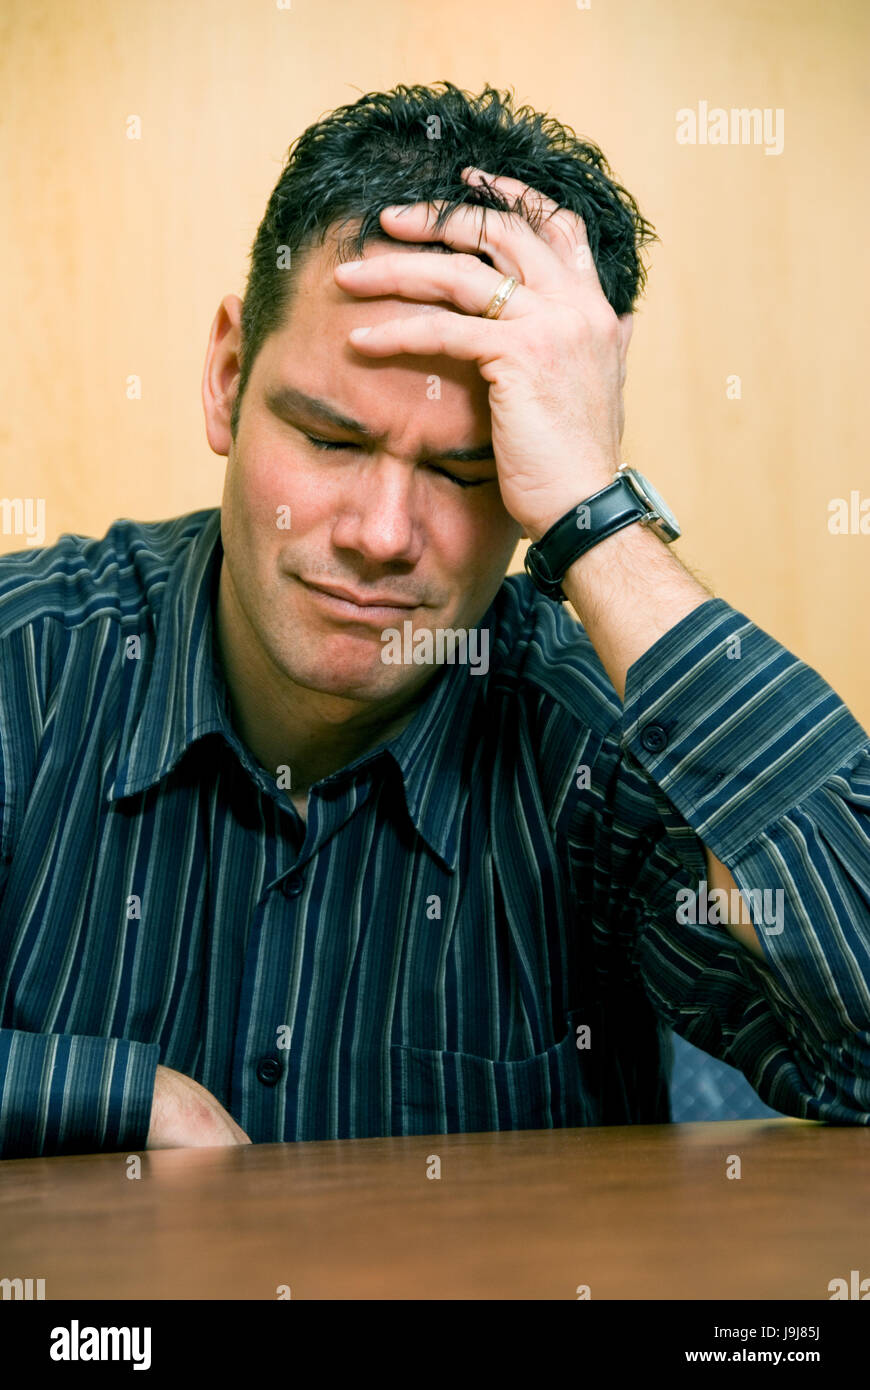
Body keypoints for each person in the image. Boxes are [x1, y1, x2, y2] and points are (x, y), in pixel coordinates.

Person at [1, 82, 867, 1159]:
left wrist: (597, 520)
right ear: (228, 375)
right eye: (329, 439)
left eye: (466, 472)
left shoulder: (588, 752)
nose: (379, 531)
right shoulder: (25, 669)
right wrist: (114, 1096)